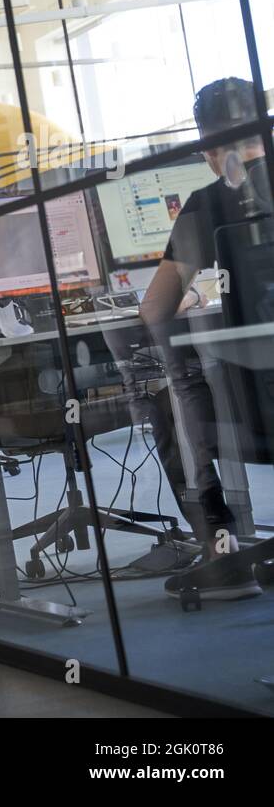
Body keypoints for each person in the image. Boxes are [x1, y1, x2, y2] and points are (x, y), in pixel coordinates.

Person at [138, 77, 270, 601]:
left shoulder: (208, 203)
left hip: (257, 411)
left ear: (208, 148)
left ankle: (224, 556)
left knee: (166, 385)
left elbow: (154, 309)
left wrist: (194, 298)